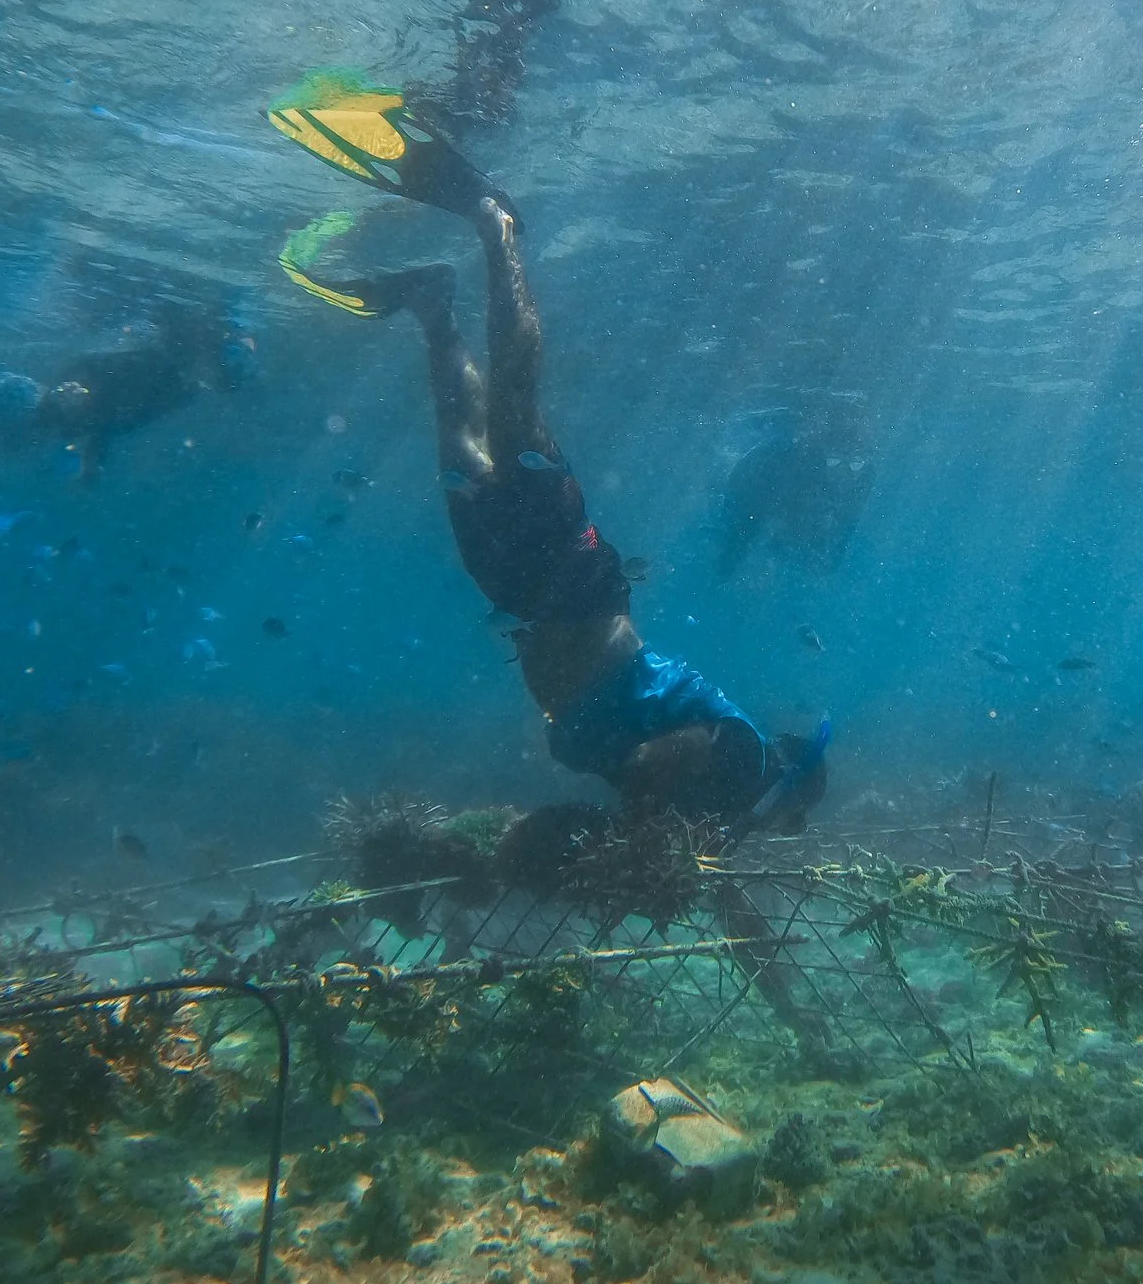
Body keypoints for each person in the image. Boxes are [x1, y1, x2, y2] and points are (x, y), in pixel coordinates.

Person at [266, 68, 827, 836]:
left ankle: (434, 308)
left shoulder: (724, 800)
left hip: (533, 601)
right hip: (574, 592)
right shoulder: (746, 766)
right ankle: (495, 223)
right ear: (791, 790)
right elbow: (649, 767)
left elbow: (642, 771)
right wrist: (657, 848)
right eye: (797, 819)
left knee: (465, 457)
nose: (789, 832)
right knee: (513, 413)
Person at [0, 300, 258, 478]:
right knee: (12, 397)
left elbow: (115, 421)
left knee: (8, 408)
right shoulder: (169, 376)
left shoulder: (180, 388)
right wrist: (67, 393)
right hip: (57, 415)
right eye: (230, 355)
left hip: (58, 421)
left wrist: (92, 461)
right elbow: (108, 401)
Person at [715, 402, 874, 578]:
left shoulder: (864, 477)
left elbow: (845, 530)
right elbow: (747, 520)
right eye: (836, 460)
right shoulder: (783, 465)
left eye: (854, 464)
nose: (843, 472)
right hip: (752, 493)